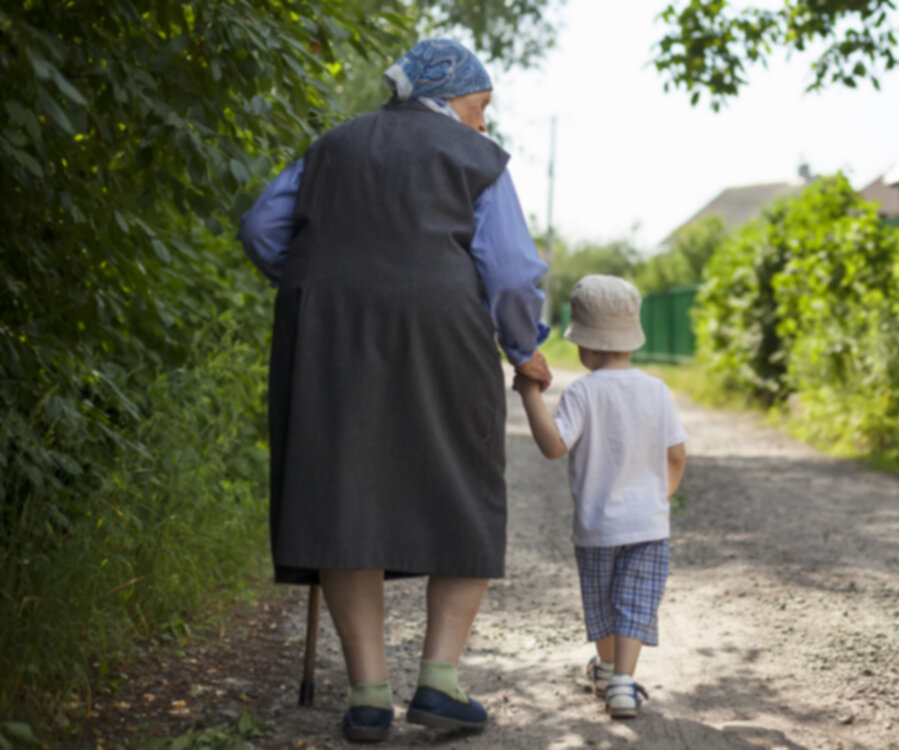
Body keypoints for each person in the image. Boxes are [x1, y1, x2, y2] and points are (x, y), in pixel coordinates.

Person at [238, 39, 553, 743]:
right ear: (452, 95)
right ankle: (438, 684)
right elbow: (507, 273)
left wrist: (326, 279)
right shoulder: (480, 159)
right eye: (481, 106)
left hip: (330, 332)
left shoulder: (332, 145)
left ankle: (369, 698)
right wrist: (524, 346)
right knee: (462, 485)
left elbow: (261, 228)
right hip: (443, 329)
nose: (482, 121)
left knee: (341, 488)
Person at [512, 275, 688, 719]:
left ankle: (608, 670)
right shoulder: (656, 390)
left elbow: (554, 446)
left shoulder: (582, 392)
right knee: (634, 603)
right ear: (631, 339)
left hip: (596, 527)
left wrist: (530, 393)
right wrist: (658, 498)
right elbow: (677, 455)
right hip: (648, 524)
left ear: (585, 346)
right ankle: (623, 683)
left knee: (603, 604)